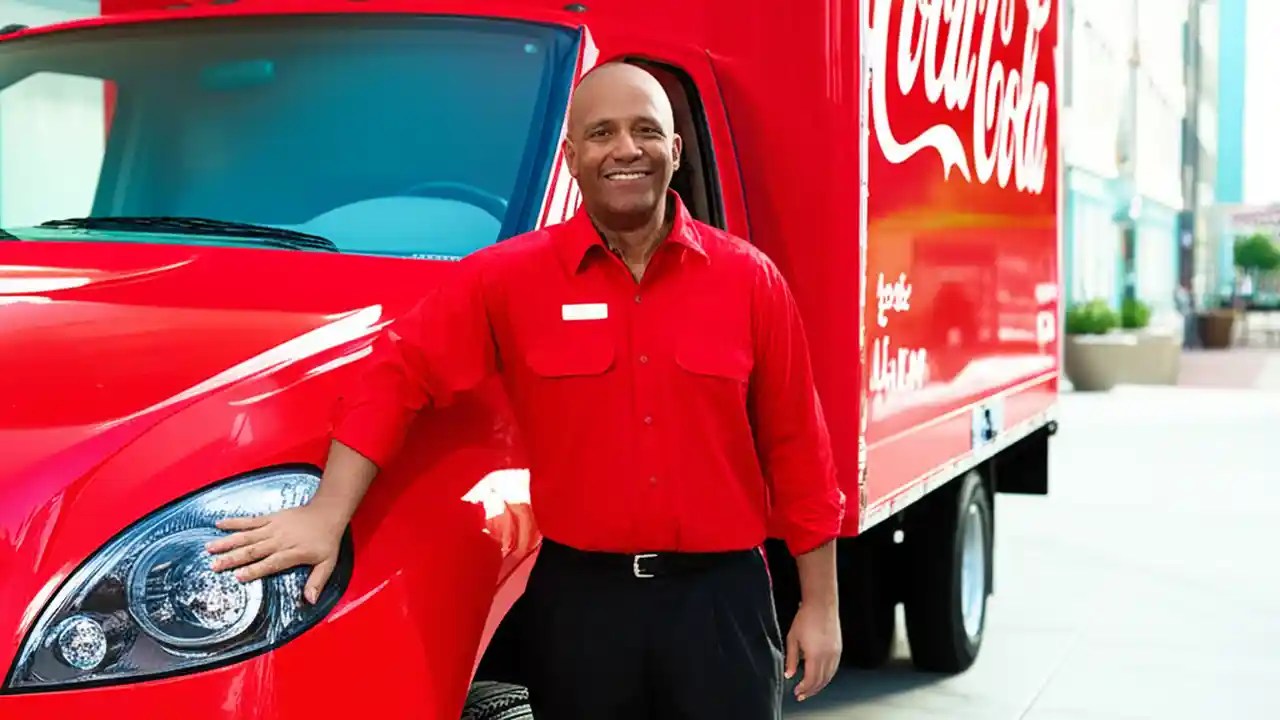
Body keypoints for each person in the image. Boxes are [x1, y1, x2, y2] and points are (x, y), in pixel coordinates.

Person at [205, 60, 846, 718]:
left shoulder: (749, 282)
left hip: (721, 605)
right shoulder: (507, 283)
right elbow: (398, 373)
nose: (626, 150)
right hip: (583, 608)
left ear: (675, 151)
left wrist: (820, 606)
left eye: (645, 131)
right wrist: (326, 514)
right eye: (601, 134)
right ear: (571, 157)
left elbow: (799, 448)